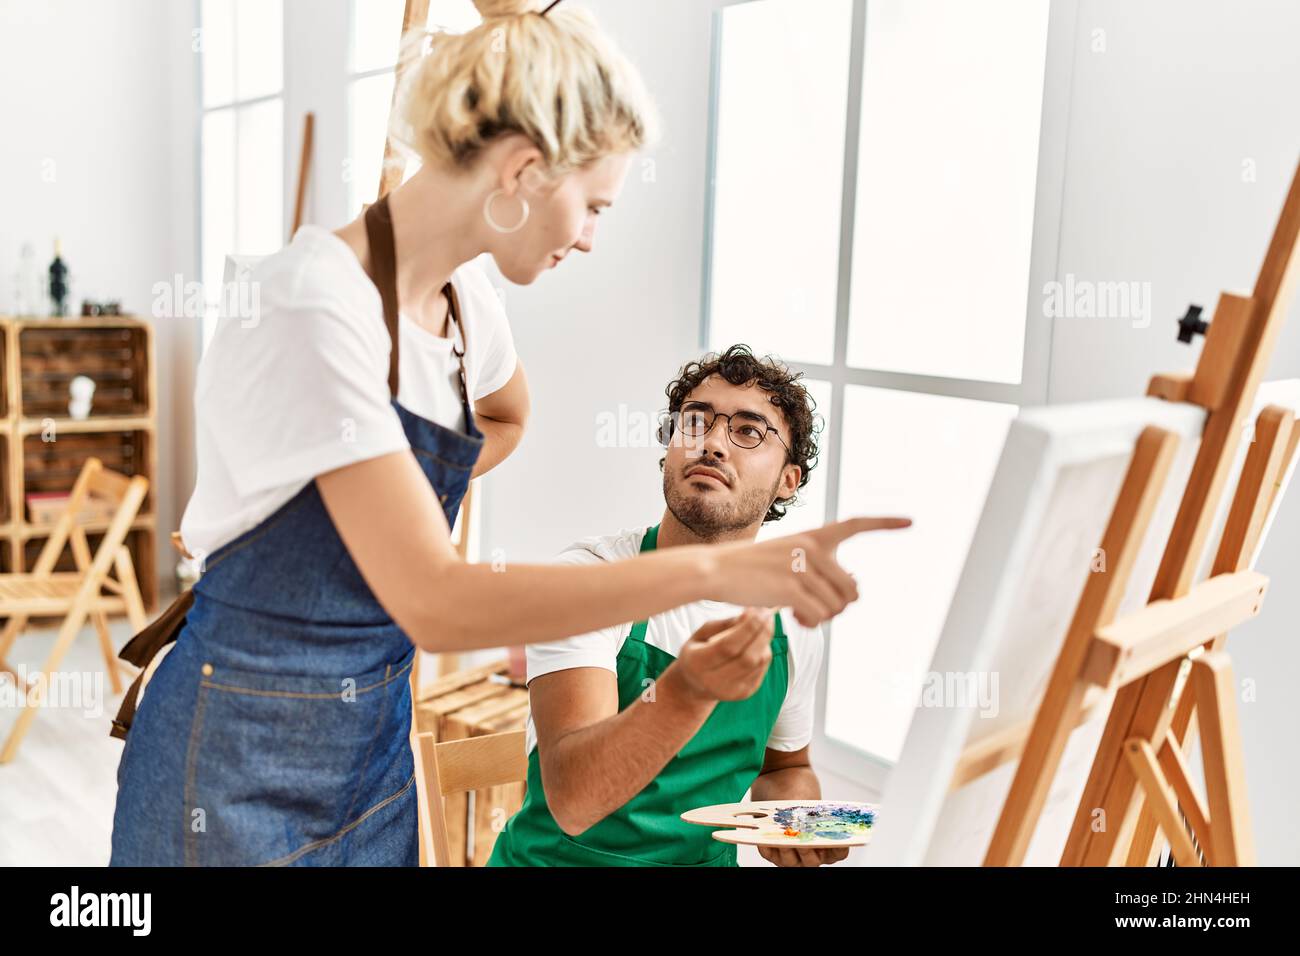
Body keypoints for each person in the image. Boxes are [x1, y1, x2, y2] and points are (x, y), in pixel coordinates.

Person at [109, 0, 908, 867]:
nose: (595, 238)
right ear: (526, 170)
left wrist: (380, 498)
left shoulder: (464, 304)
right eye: (594, 205)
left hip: (372, 741)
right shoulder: (311, 306)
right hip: (240, 742)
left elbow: (507, 416)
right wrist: (715, 568)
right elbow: (439, 605)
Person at [489, 346, 873, 867]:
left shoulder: (792, 622)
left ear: (789, 479)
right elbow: (575, 799)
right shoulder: (588, 579)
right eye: (695, 422)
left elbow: (783, 769)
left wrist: (792, 822)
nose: (713, 443)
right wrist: (687, 690)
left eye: (749, 431)